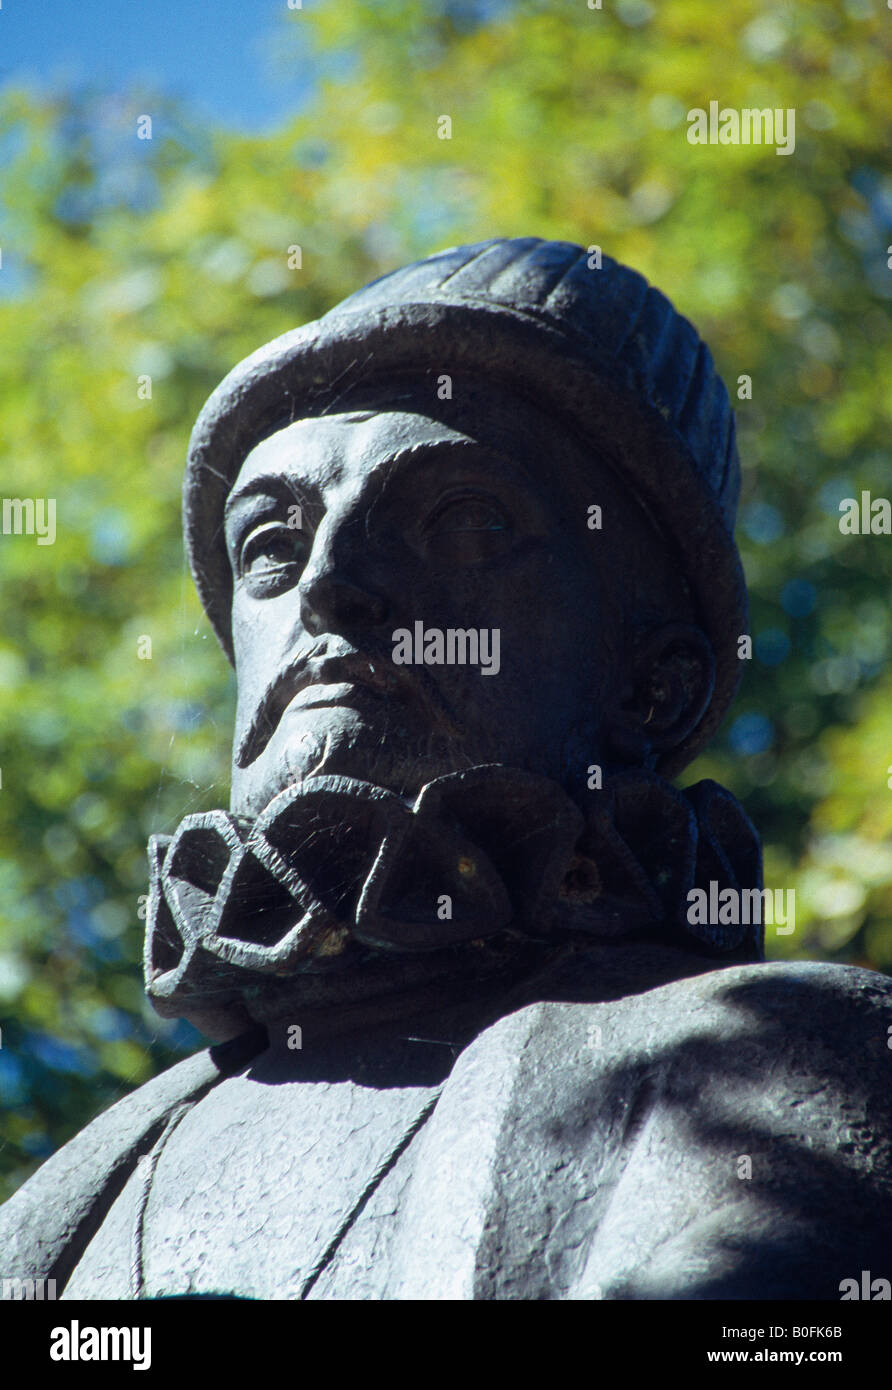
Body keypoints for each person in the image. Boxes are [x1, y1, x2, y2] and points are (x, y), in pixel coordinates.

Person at [3, 237, 890, 1300]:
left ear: (654, 686)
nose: (327, 590)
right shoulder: (78, 1194)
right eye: (273, 545)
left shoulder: (780, 1059)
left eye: (461, 522)